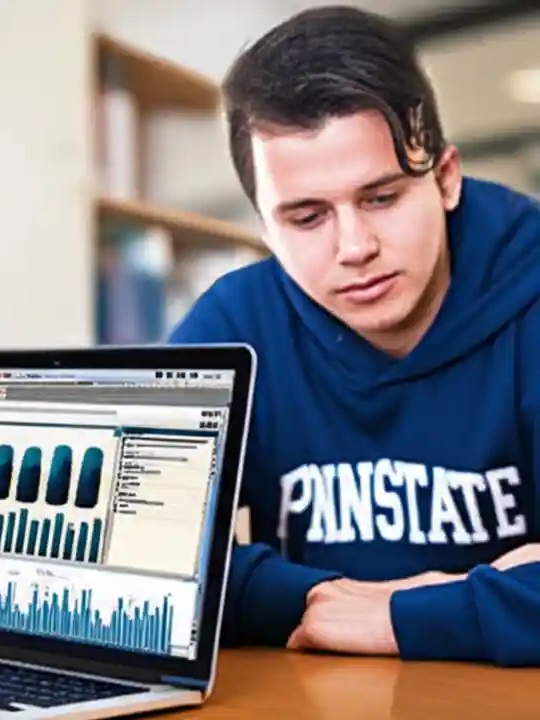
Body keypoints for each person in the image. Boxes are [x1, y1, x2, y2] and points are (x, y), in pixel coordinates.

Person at [170, 5, 540, 666]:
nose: (355, 247)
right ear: (264, 229)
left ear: (446, 178)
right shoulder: (236, 326)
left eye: (382, 197)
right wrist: (325, 598)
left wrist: (403, 617)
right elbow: (138, 557)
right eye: (307, 216)